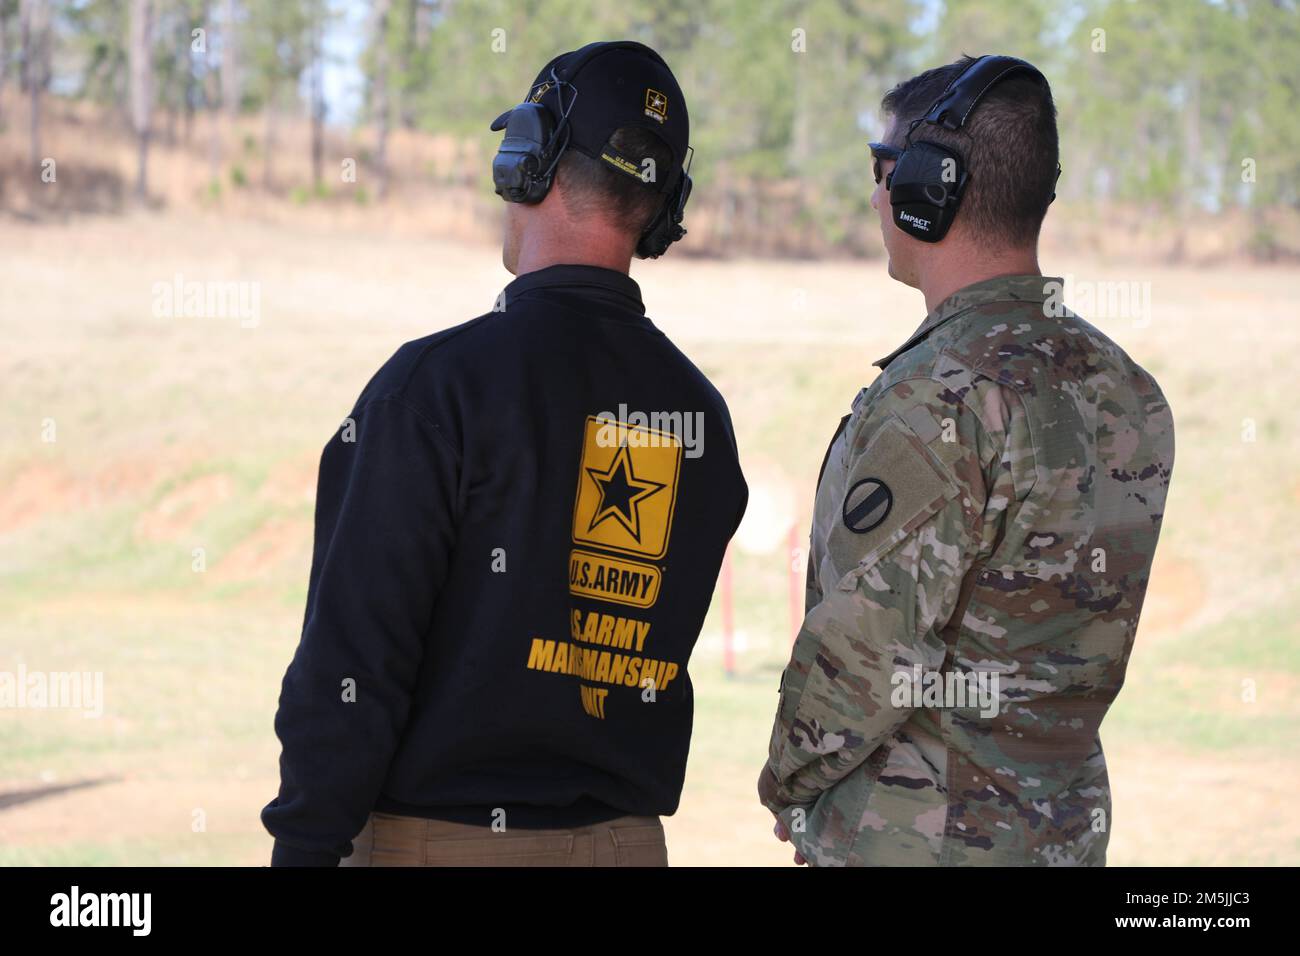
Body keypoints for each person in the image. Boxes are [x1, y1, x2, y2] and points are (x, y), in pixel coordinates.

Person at [262, 40, 747, 867]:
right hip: (628, 847)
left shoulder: (433, 387)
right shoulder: (698, 414)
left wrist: (305, 846)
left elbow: (351, 667)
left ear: (528, 159)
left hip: (441, 845)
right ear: (663, 207)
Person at [757, 55, 1175, 866]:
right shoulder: (1128, 389)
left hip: (915, 839)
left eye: (883, 169)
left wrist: (792, 785)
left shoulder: (940, 394)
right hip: (1061, 837)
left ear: (928, 186)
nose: (875, 195)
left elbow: (871, 646)